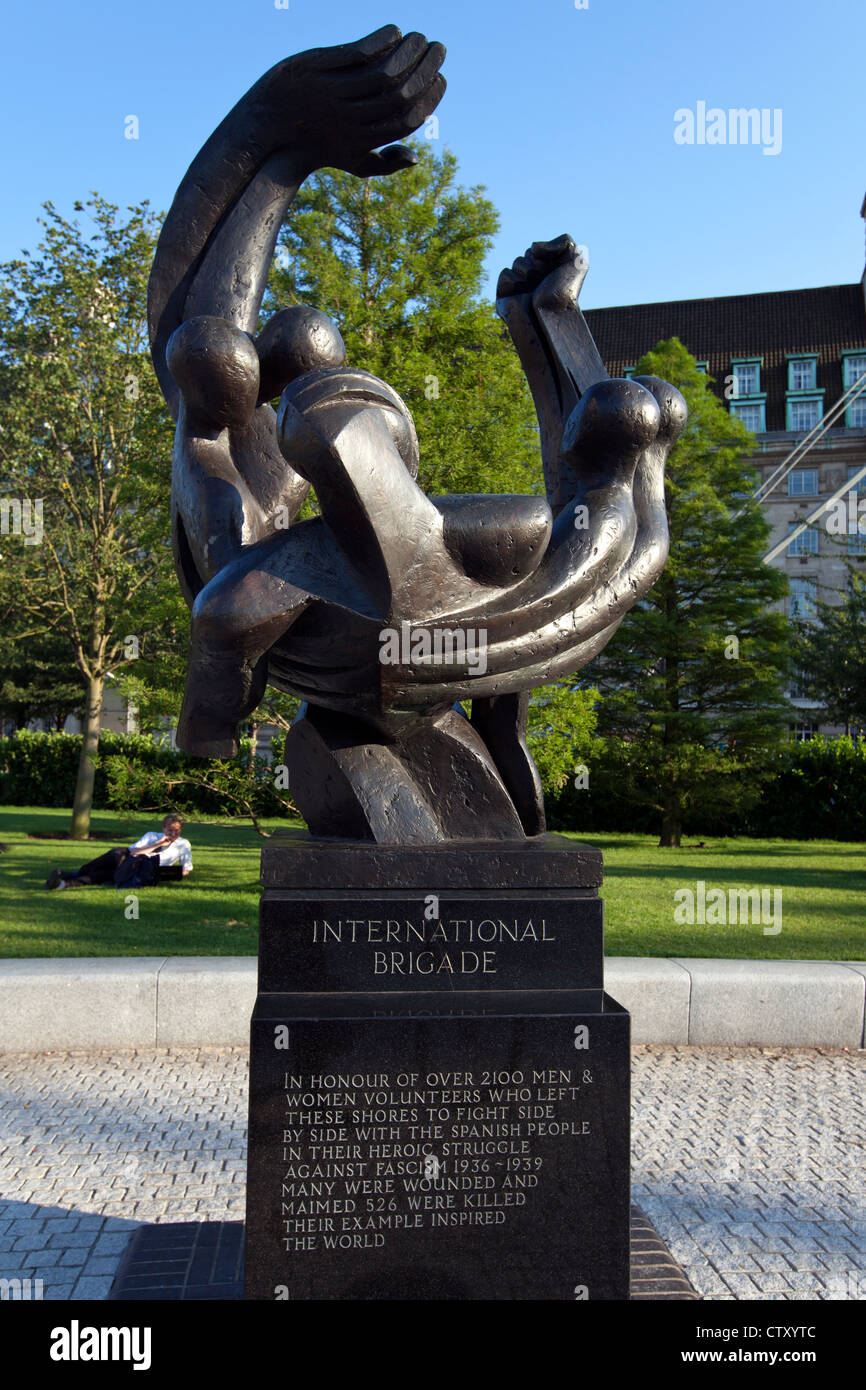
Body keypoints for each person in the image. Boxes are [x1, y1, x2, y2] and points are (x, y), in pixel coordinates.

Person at [44, 815, 193, 889]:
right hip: (128, 860)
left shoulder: (183, 844)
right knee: (115, 855)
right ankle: (66, 878)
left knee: (102, 874)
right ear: (163, 828)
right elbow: (133, 851)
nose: (173, 834)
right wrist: (157, 844)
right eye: (170, 830)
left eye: (176, 831)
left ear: (181, 830)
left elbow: (185, 870)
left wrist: (159, 874)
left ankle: (63, 881)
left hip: (142, 869)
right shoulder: (152, 836)